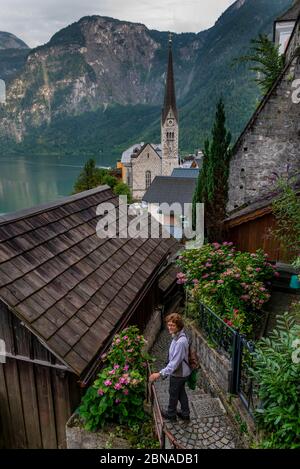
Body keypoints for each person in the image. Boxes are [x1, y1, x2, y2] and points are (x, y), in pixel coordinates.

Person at [149, 313, 191, 421]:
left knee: (173, 392)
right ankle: (185, 413)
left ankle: (171, 413)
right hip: (181, 372)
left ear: (179, 326)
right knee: (181, 393)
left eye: (172, 325)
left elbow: (175, 363)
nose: (170, 327)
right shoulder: (177, 336)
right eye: (169, 325)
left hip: (179, 373)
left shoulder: (181, 341)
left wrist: (159, 374)